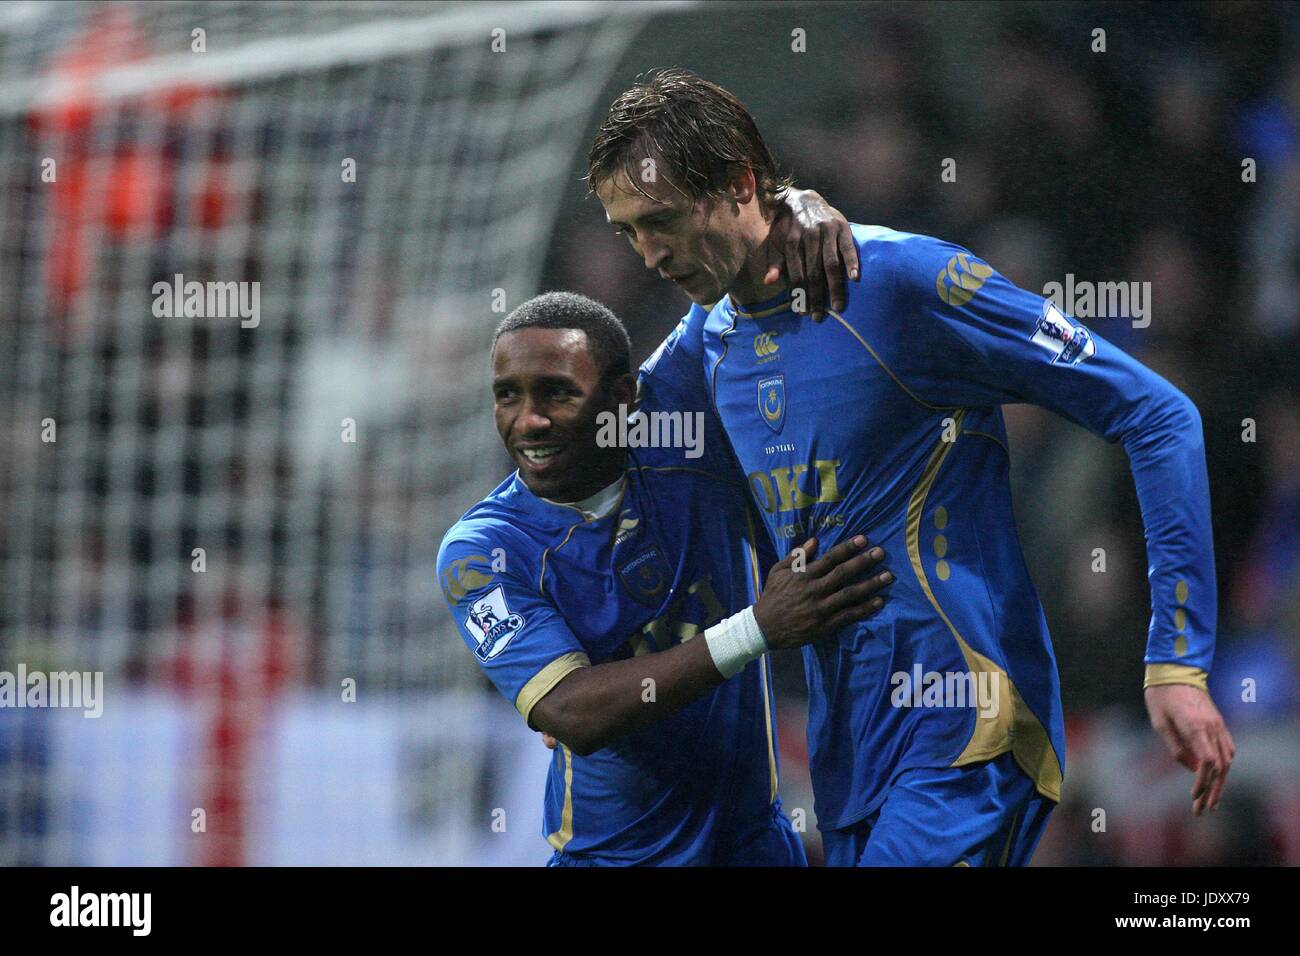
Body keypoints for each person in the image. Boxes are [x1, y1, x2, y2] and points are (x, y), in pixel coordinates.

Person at [587, 67, 1235, 866]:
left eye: (661, 221)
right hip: (848, 758)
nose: (649, 255)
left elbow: (1157, 413)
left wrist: (1179, 660)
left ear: (738, 183)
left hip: (966, 724)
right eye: (627, 233)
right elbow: (605, 445)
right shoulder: (706, 342)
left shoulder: (899, 284)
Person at [437, 290, 892, 865]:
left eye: (557, 392)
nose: (529, 420)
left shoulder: (678, 421)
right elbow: (572, 711)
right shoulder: (484, 549)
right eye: (508, 396)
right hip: (614, 860)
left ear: (623, 397)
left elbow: (738, 270)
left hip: (757, 848)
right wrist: (756, 628)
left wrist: (803, 207)